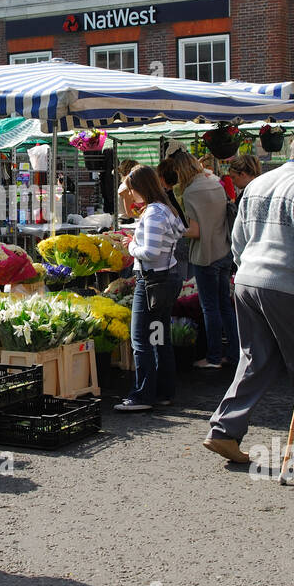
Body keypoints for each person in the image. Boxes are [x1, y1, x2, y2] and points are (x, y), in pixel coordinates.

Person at [202, 131, 294, 465]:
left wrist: (247, 268)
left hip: (250, 279)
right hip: (290, 285)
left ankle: (224, 430)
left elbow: (239, 237)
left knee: (256, 358)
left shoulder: (260, 183)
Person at [114, 165, 185, 412]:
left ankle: (142, 395)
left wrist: (132, 245)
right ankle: (163, 391)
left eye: (132, 190)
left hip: (152, 281)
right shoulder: (165, 209)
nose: (131, 195)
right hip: (165, 280)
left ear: (141, 187)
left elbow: (151, 252)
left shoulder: (154, 213)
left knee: (141, 338)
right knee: (159, 336)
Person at [168, 150, 238, 368]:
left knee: (210, 308)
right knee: (225, 306)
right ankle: (235, 354)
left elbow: (196, 231)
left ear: (180, 170)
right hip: (224, 250)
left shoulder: (191, 192)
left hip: (206, 254)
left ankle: (213, 356)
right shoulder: (214, 182)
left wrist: (176, 230)